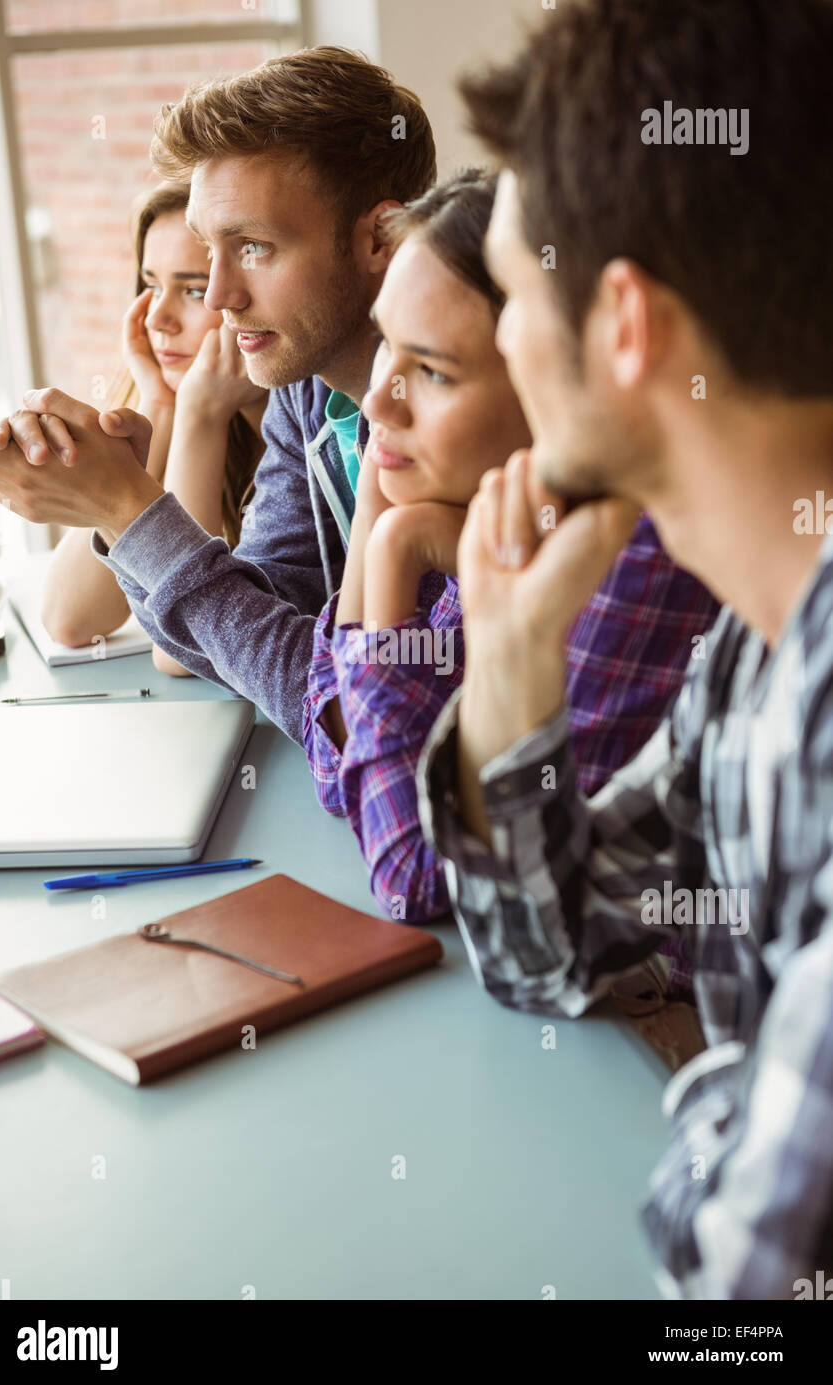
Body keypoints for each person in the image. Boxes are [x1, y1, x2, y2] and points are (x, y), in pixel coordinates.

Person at [416, 0, 833, 1298]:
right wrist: (507, 676)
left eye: (519, 295)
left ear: (625, 324)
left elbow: (737, 1281)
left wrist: (733, 1073)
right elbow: (560, 953)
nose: (510, 342)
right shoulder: (759, 653)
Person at [303, 170, 719, 1017]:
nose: (379, 398)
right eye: (389, 345)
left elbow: (419, 875)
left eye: (435, 371)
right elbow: (339, 750)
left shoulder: (631, 558)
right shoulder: (492, 510)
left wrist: (388, 558)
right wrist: (380, 527)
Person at [0, 46, 438, 743]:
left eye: (253, 248)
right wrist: (119, 501)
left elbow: (352, 712)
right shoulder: (308, 394)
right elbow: (246, 624)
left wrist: (127, 511)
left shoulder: (449, 411)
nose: (219, 296)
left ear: (379, 237)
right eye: (207, 252)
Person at [41, 181, 267, 674]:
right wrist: (158, 412)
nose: (159, 318)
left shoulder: (299, 437)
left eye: (190, 289)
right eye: (150, 285)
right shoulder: (172, 406)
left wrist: (199, 414)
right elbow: (72, 620)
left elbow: (185, 652)